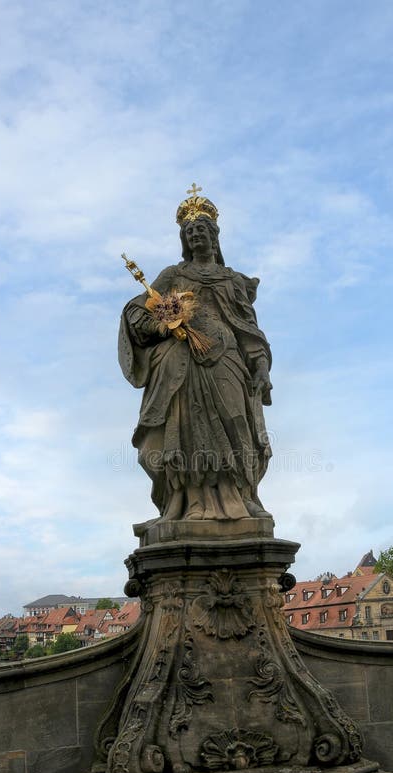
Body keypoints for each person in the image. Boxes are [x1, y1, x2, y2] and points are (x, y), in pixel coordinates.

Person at [119, 187, 273, 522]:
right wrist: (164, 326)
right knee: (185, 432)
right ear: (184, 240)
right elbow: (136, 310)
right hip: (183, 365)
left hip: (226, 357)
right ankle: (189, 501)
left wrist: (261, 367)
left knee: (236, 424)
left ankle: (243, 496)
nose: (195, 234)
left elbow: (249, 328)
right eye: (189, 232)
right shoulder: (174, 275)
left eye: (202, 229)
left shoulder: (231, 280)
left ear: (214, 236)